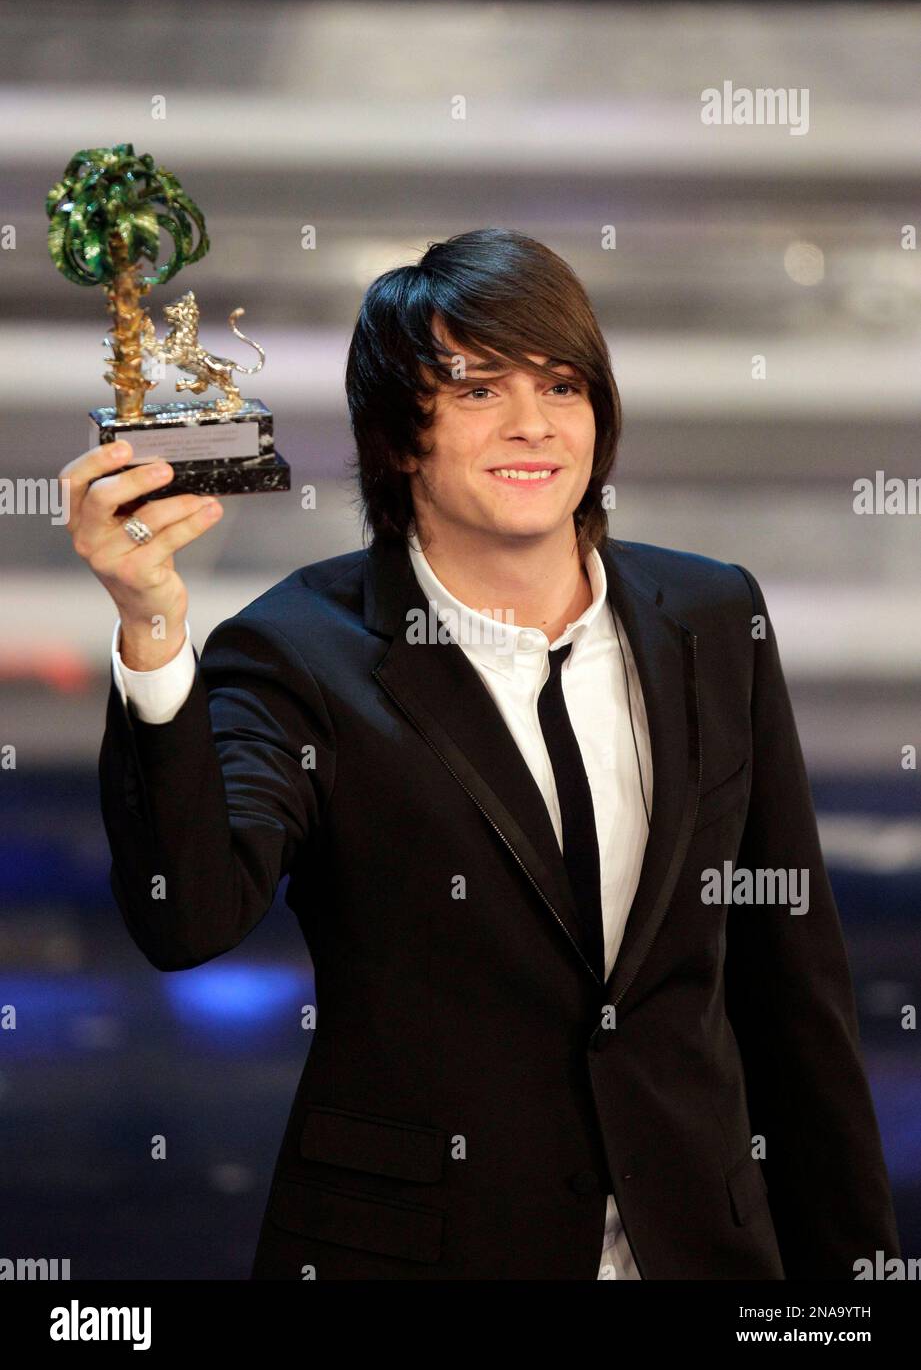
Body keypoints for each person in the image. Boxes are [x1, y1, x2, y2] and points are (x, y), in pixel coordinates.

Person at [62, 228, 901, 1280]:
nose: (533, 426)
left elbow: (794, 995)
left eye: (561, 385)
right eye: (476, 390)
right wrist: (150, 627)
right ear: (399, 437)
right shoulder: (299, 653)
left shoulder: (714, 616)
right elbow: (187, 915)